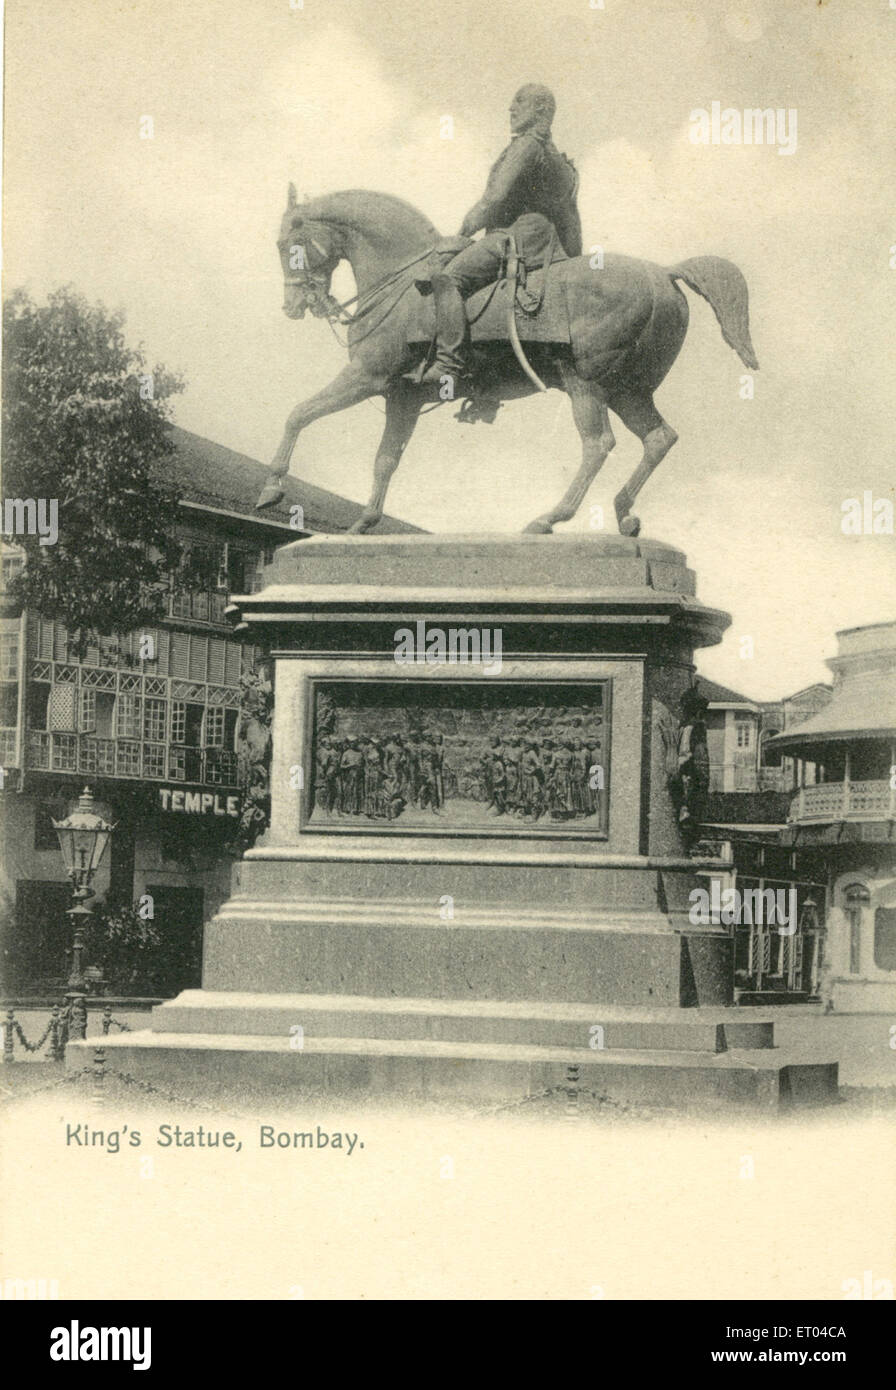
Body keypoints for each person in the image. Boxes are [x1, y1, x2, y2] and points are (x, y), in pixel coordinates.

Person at [420, 83, 581, 386]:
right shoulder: (559, 159)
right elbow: (571, 219)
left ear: (541, 110)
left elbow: (493, 199)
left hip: (515, 240)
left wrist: (461, 233)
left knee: (448, 277)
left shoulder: (527, 146)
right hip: (546, 245)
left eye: (520, 101)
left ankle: (448, 363)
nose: (511, 108)